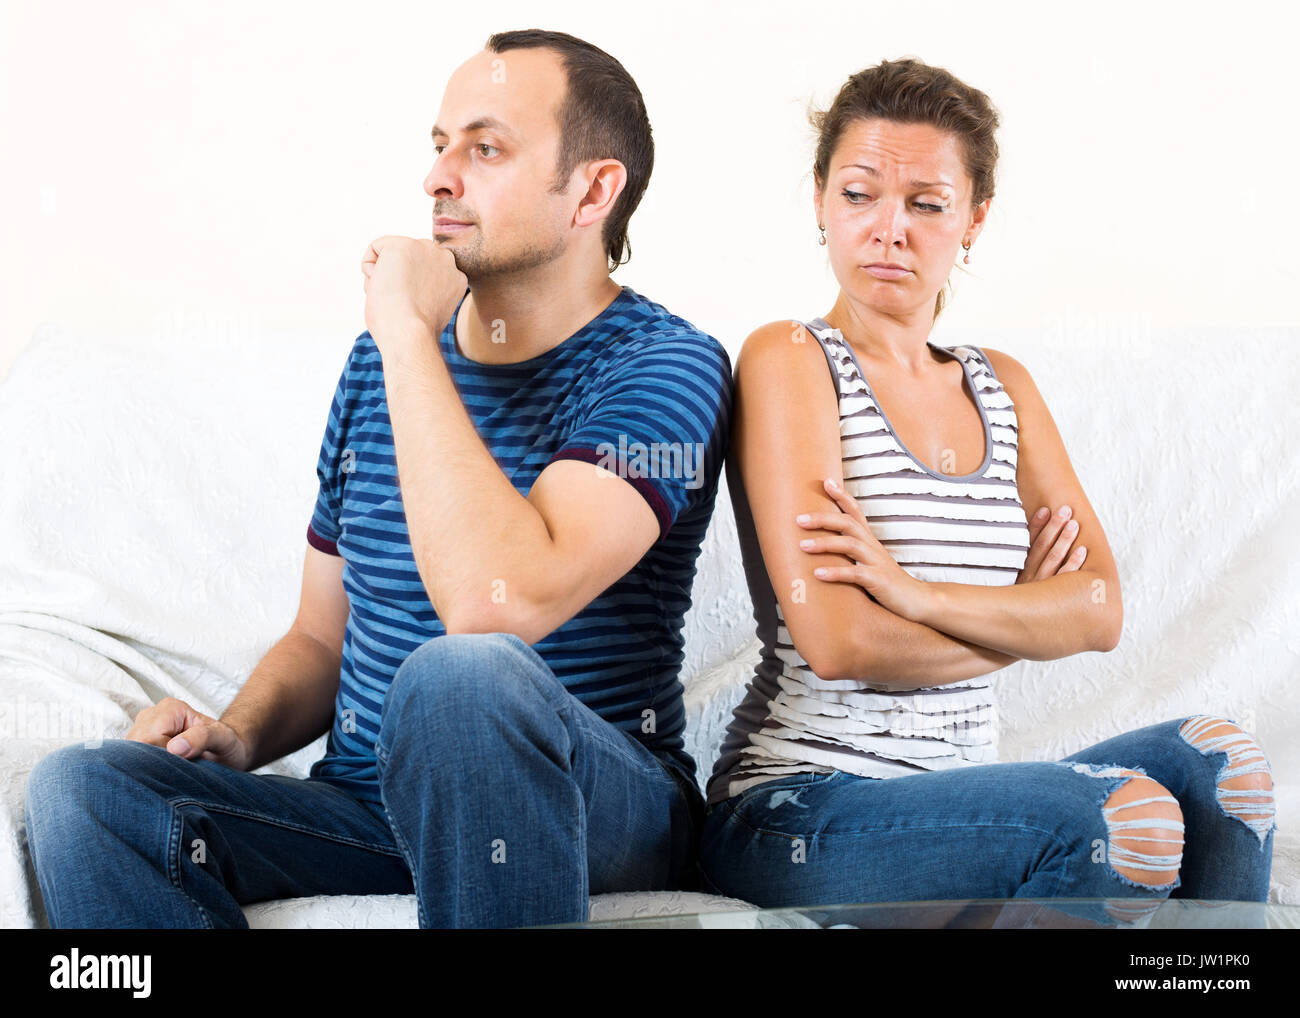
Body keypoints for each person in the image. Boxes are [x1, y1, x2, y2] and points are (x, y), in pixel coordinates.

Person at [24, 28, 732, 929]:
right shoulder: (379, 367)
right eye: (438, 147)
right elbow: (321, 639)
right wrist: (236, 735)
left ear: (593, 189)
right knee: (85, 789)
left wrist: (405, 332)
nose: (439, 178)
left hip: (599, 808)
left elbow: (493, 606)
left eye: (485, 147)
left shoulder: (663, 365)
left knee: (461, 677)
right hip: (371, 810)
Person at [699, 57, 1274, 926]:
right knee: (1120, 820)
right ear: (820, 202)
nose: (889, 229)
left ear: (973, 221)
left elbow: (1097, 608)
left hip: (966, 794)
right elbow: (843, 640)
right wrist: (1021, 624)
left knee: (1222, 767)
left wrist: (916, 593)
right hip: (799, 811)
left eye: (926, 204)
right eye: (859, 195)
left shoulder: (1002, 385)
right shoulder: (791, 358)